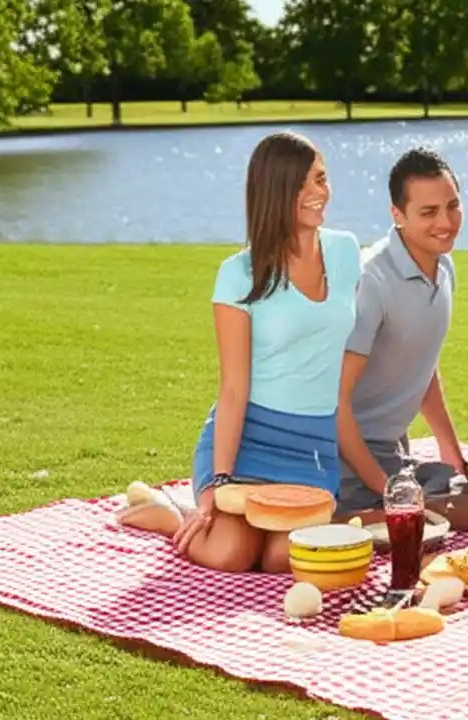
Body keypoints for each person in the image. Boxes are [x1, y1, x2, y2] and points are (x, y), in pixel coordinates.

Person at [119, 131, 361, 573]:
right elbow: (233, 387)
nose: (317, 194)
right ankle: (171, 516)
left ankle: (208, 520)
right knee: (231, 553)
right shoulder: (238, 275)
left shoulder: (346, 253)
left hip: (311, 450)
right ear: (274, 192)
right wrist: (219, 481)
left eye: (321, 179)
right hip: (248, 440)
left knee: (282, 558)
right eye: (302, 185)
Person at [334, 147, 468, 532]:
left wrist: (455, 458)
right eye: (428, 212)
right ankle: (339, 520)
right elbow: (333, 402)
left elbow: (422, 367)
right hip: (341, 455)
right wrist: (388, 489)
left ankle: (385, 512)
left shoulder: (443, 265)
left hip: (392, 450)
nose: (446, 222)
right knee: (463, 516)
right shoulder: (370, 282)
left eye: (453, 206)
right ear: (398, 215)